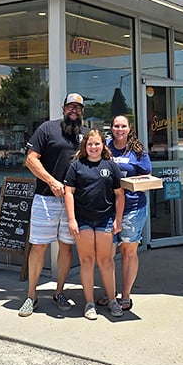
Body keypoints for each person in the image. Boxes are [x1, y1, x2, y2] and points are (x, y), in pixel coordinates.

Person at [18, 93, 85, 317]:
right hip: (45, 198)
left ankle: (59, 292)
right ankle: (31, 296)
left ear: (82, 111)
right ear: (63, 107)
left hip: (71, 203)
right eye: (70, 106)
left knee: (66, 247)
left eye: (78, 107)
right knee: (39, 247)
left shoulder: (84, 135)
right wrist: (52, 181)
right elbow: (30, 159)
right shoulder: (47, 129)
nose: (74, 110)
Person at [64, 129, 125, 320]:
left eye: (97, 144)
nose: (93, 147)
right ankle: (89, 303)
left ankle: (112, 300)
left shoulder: (110, 166)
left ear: (103, 146)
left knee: (106, 261)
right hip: (83, 220)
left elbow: (119, 195)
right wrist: (72, 219)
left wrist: (118, 219)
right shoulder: (76, 166)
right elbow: (69, 193)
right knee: (87, 261)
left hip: (105, 219)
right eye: (90, 144)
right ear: (85, 146)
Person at [101, 114, 152, 311]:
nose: (119, 129)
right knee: (108, 253)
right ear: (111, 128)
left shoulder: (138, 151)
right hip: (107, 208)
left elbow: (147, 176)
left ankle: (126, 295)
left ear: (129, 128)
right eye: (116, 126)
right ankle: (110, 293)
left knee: (128, 251)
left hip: (133, 208)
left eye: (123, 126)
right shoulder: (104, 147)